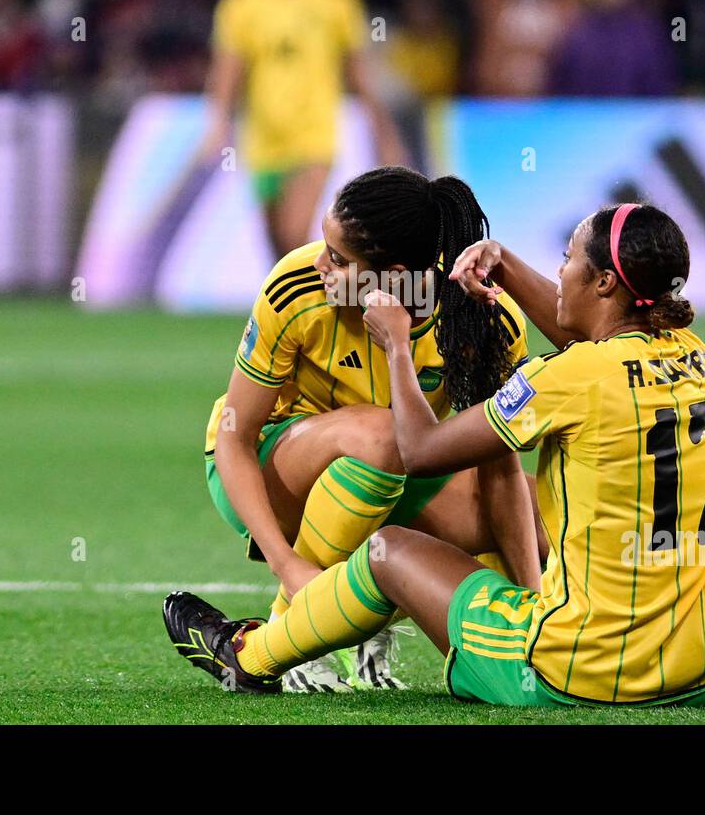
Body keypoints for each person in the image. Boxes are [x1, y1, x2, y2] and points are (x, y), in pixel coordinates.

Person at [166, 203, 705, 707]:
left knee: (388, 552)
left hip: (585, 671)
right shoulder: (700, 357)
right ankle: (319, 607)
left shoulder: (564, 377)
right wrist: (506, 263)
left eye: (567, 259)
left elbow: (418, 449)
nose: (560, 273)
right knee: (525, 506)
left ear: (602, 284)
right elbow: (595, 346)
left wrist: (396, 346)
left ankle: (254, 653)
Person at [195, 166, 542, 692]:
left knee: (550, 512)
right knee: (382, 436)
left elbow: (500, 469)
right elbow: (233, 437)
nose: (319, 264)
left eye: (338, 259)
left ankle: (370, 611)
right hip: (271, 471)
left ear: (393, 273)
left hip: (399, 475)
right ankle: (289, 636)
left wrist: (532, 600)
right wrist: (288, 568)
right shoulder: (297, 288)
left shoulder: (481, 318)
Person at [195, 0, 404, 257]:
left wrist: (382, 130)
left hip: (312, 136)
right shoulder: (240, 4)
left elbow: (359, 75)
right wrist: (217, 122)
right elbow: (227, 72)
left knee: (295, 233)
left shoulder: (336, 3)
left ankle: (316, 305)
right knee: (277, 245)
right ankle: (295, 309)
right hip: (262, 140)